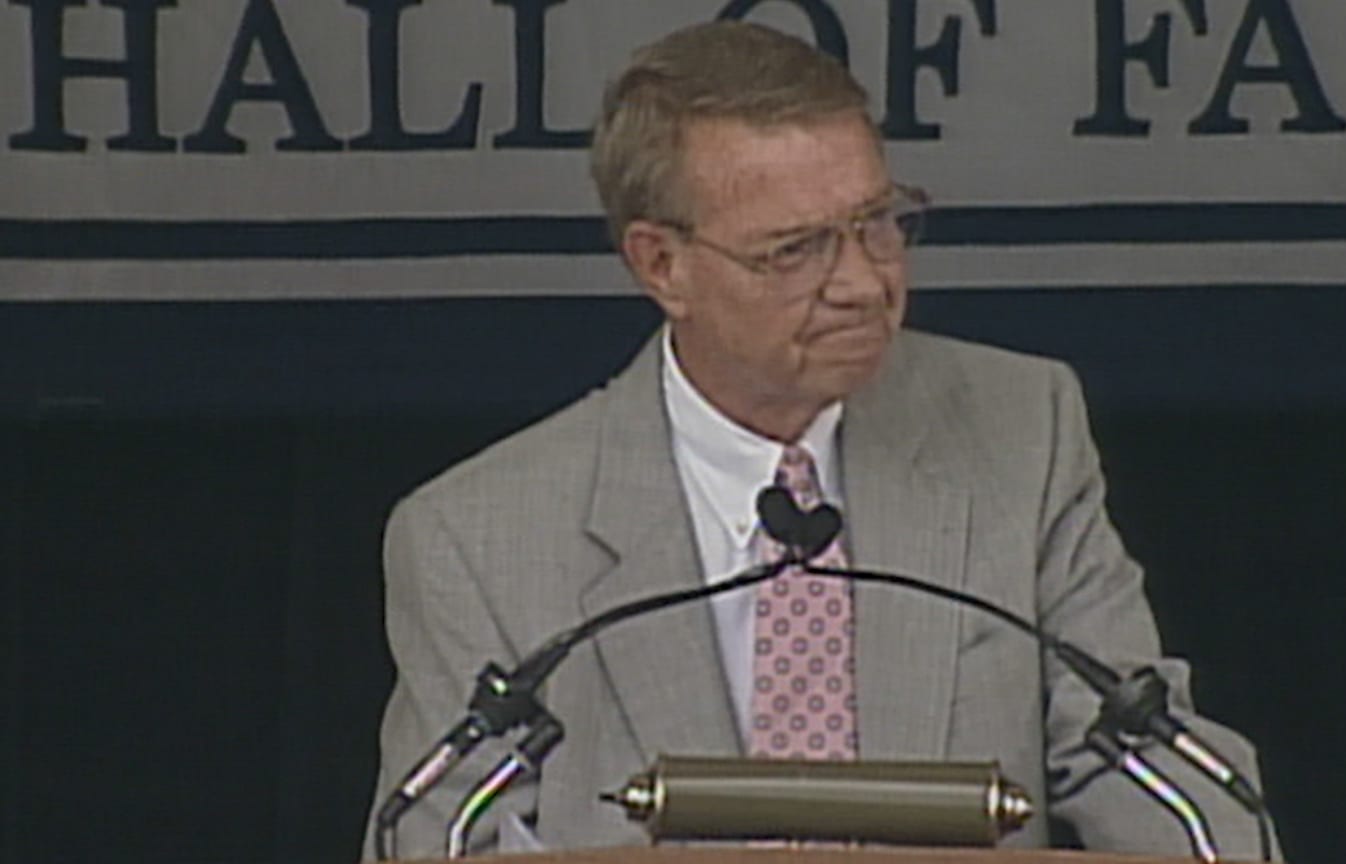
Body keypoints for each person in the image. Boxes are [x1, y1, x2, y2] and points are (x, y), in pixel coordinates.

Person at [367, 19, 1274, 860]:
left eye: (876, 223)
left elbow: (1151, 762)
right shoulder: (476, 538)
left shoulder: (1019, 429)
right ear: (661, 265)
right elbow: (437, 840)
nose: (863, 284)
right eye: (795, 250)